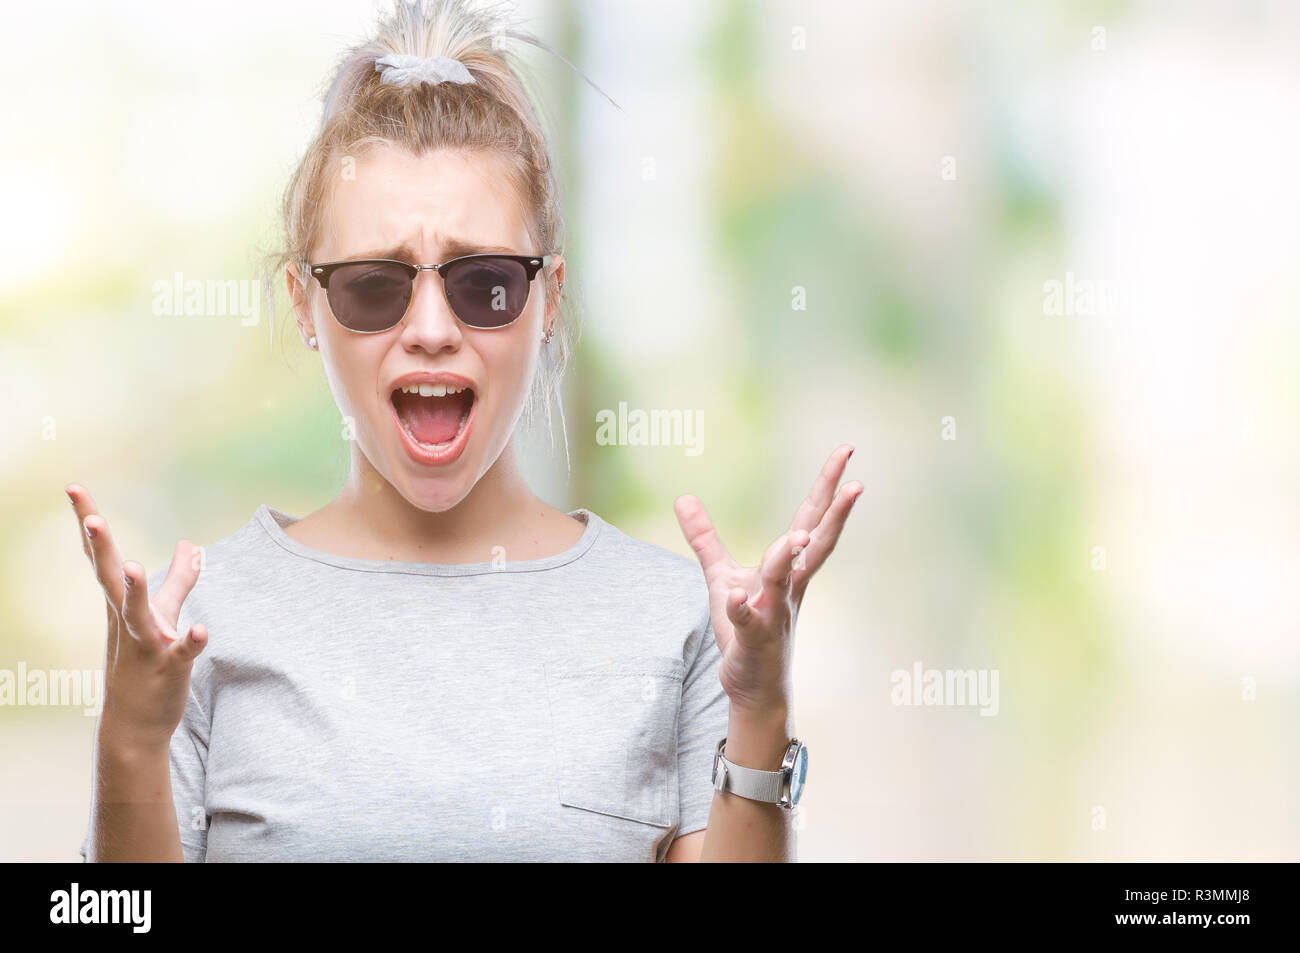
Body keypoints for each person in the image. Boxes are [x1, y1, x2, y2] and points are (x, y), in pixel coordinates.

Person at [73, 0, 860, 862]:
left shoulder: (680, 623)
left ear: (548, 298)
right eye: (375, 285)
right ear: (306, 303)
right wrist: (132, 742)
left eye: (483, 282)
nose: (432, 328)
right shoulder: (199, 627)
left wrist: (760, 713)